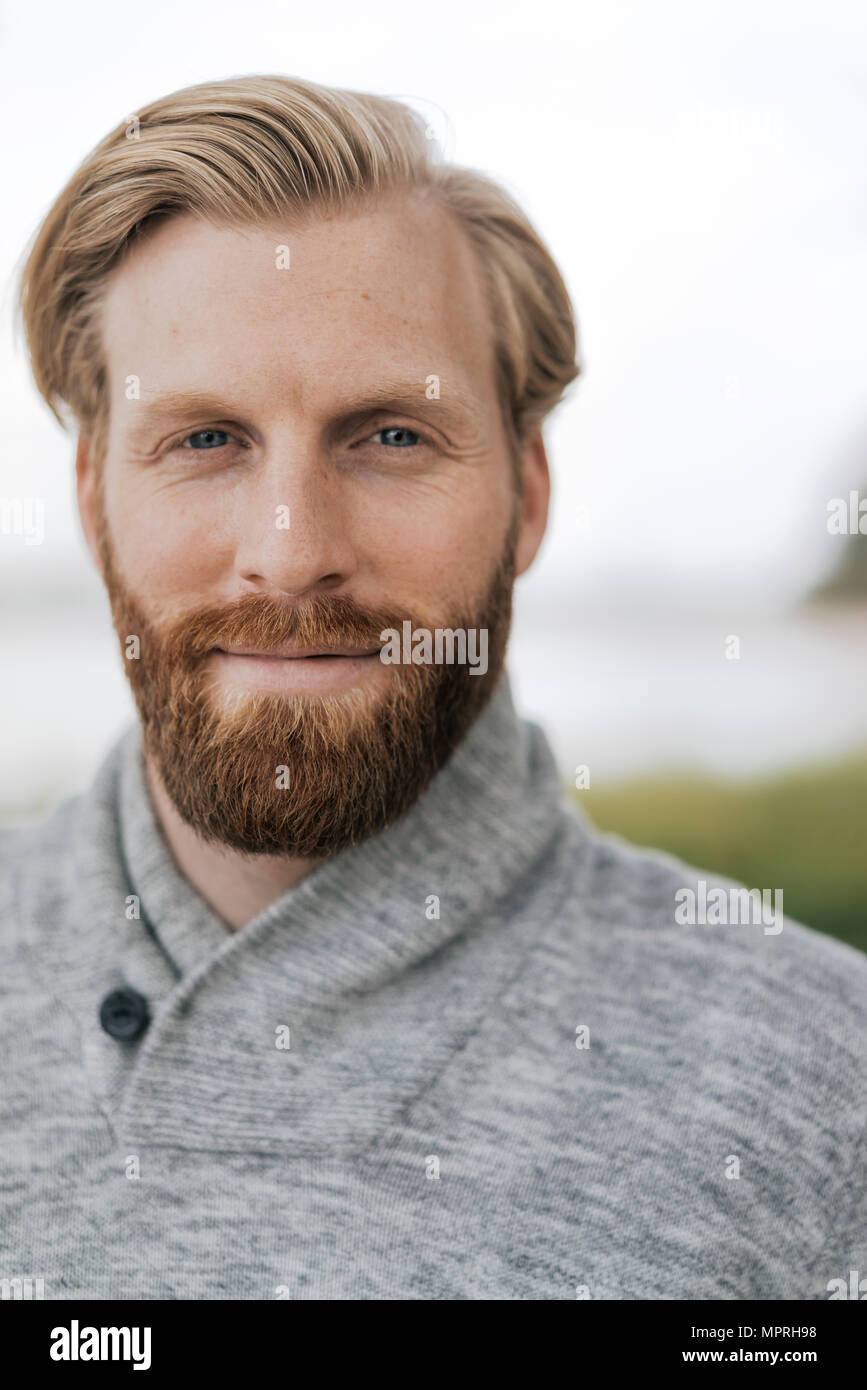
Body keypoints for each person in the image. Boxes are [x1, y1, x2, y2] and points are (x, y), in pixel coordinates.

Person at [2, 74, 864, 1301]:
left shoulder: (832, 1086)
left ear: (529, 494)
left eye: (391, 436)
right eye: (205, 440)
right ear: (94, 501)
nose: (294, 550)